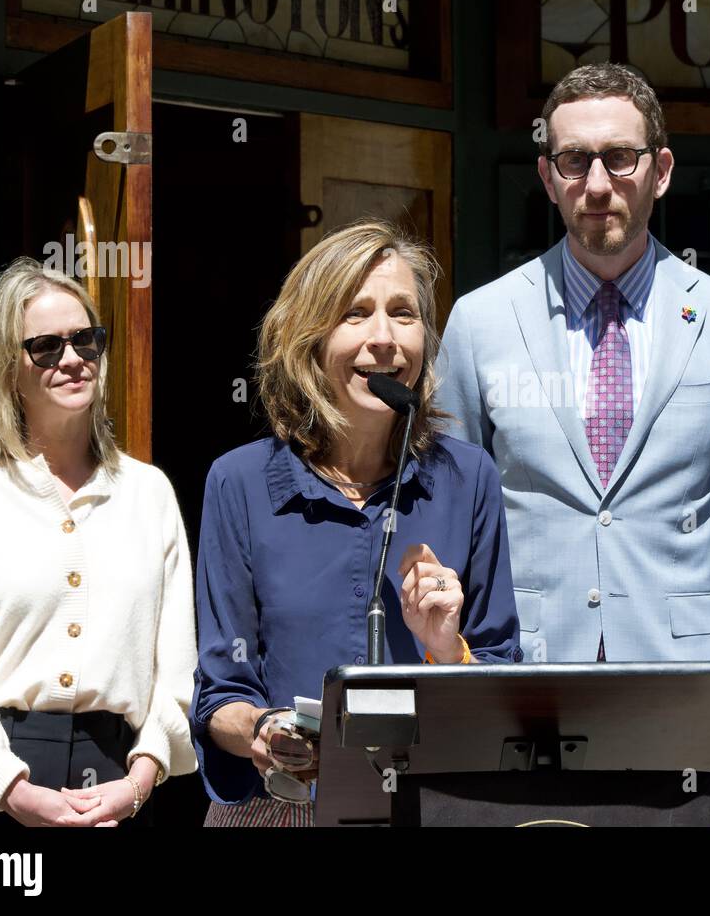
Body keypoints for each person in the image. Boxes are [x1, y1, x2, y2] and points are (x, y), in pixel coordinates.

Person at [436, 62, 710, 662]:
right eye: (575, 161)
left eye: (620, 157)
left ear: (662, 171)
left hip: (683, 678)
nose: (597, 184)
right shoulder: (480, 322)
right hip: (526, 667)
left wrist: (707, 643)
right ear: (548, 178)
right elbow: (450, 512)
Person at [191, 220, 520, 826]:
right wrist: (265, 731)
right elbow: (220, 694)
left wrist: (448, 650)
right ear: (309, 338)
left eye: (403, 313)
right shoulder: (237, 483)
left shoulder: (469, 478)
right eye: (355, 314)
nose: (384, 339)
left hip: (429, 809)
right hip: (281, 810)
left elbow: (502, 677)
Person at [0, 258, 197, 827]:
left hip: (120, 782)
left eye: (86, 340)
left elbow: (176, 664)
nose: (73, 359)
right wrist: (6, 784)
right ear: (8, 369)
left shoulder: (148, 493)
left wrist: (142, 776)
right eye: (47, 348)